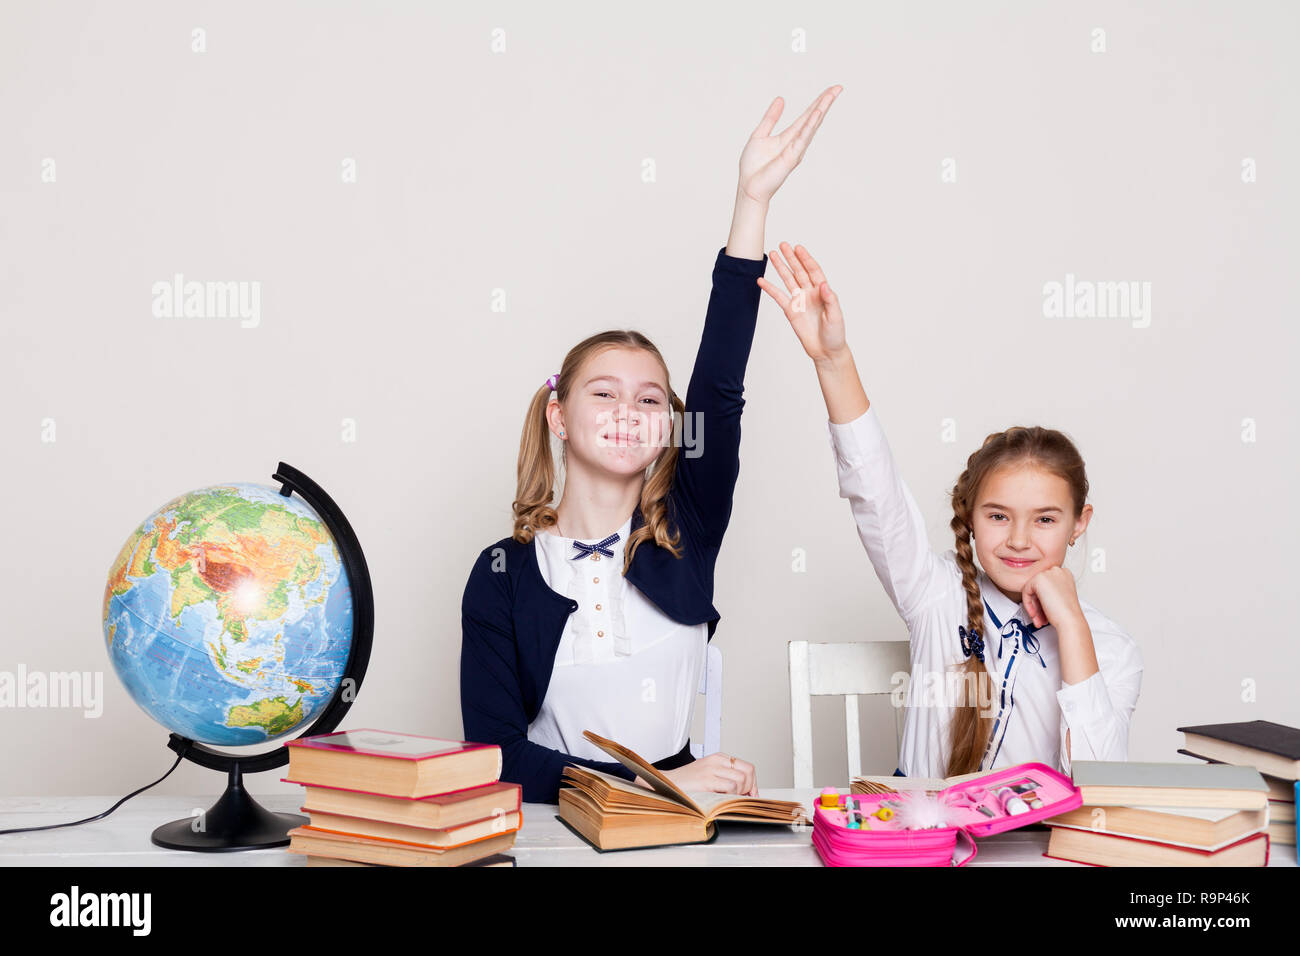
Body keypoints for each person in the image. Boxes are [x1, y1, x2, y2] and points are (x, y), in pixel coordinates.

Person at [460, 87, 843, 803]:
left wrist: (751, 201)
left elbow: (719, 387)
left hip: (684, 826)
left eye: (648, 400)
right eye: (602, 394)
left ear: (669, 426)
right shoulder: (501, 573)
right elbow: (496, 761)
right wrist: (660, 784)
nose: (627, 412)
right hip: (555, 837)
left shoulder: (686, 533)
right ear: (559, 416)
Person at [758, 242, 1142, 778]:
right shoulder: (936, 597)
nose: (1019, 540)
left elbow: (1102, 790)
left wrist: (1072, 626)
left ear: (1081, 523)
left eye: (1046, 519)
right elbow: (877, 493)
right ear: (969, 514)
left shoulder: (1112, 649)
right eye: (998, 515)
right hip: (925, 851)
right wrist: (832, 360)